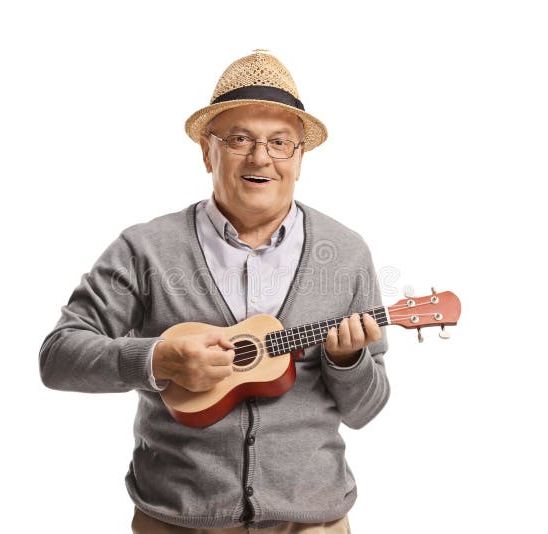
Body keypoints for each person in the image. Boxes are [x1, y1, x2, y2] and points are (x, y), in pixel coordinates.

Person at [39, 50, 390, 533]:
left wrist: (348, 364)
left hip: (314, 522)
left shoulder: (346, 253)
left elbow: (366, 409)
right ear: (208, 151)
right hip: (175, 521)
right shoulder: (144, 249)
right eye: (240, 138)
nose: (261, 156)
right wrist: (159, 359)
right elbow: (57, 357)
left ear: (300, 158)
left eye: (280, 142)